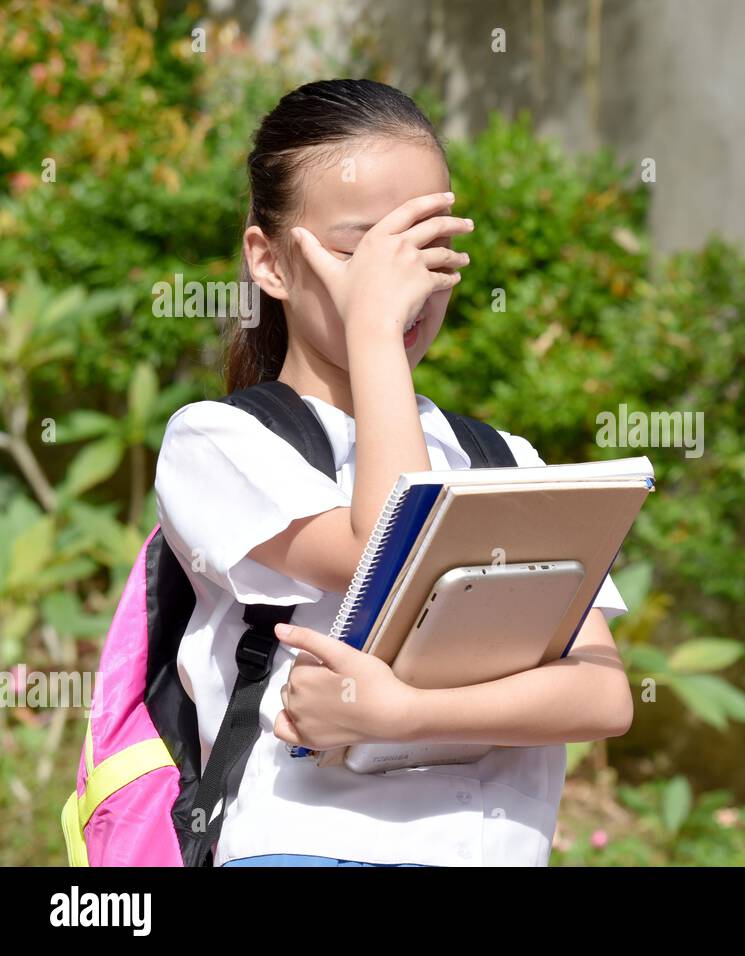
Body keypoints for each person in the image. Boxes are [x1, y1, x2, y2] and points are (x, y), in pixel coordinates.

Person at [154, 79, 634, 867]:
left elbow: (603, 694)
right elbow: (391, 547)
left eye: (423, 246)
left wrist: (400, 713)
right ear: (268, 261)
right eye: (361, 252)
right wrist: (375, 328)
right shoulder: (220, 441)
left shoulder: (503, 459)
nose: (401, 282)